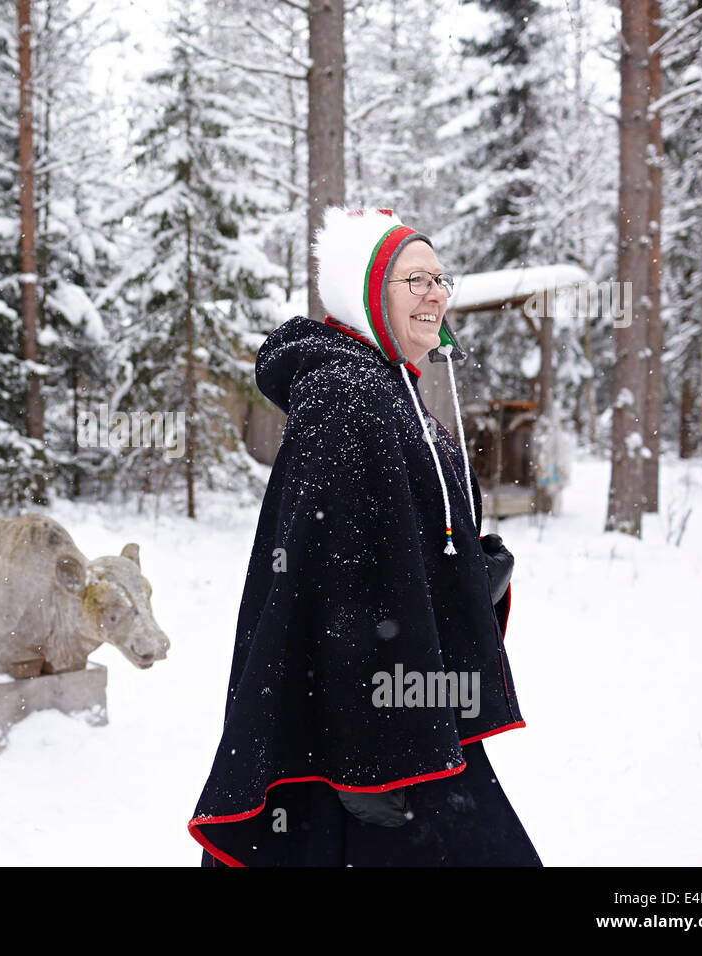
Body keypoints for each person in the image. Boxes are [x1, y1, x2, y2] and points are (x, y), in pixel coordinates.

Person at [188, 207, 541, 867]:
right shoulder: (343, 397)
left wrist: (467, 577)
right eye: (415, 279)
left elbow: (395, 556)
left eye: (440, 278)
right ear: (367, 291)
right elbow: (332, 587)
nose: (437, 293)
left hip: (413, 719)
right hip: (370, 751)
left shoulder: (391, 389)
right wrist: (362, 764)